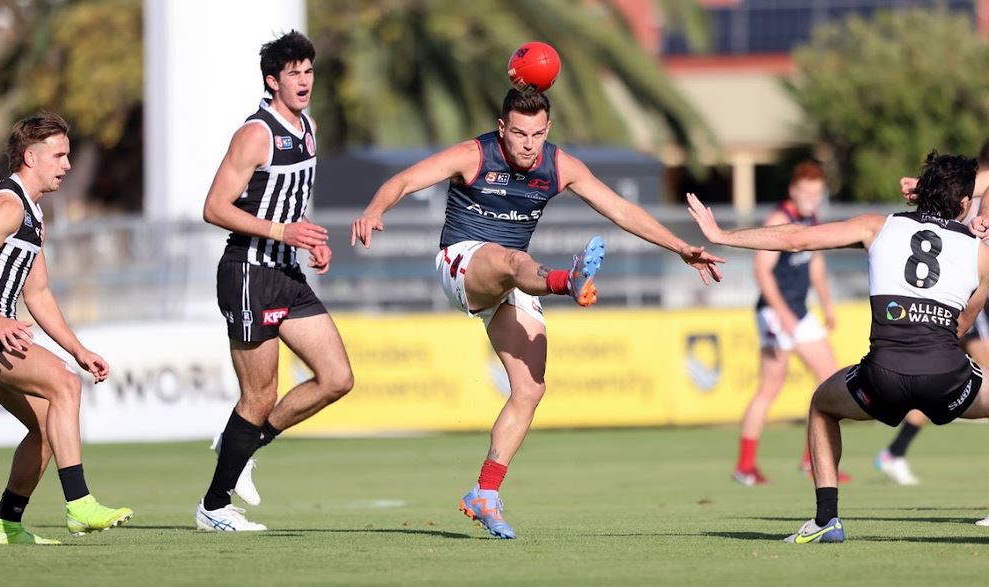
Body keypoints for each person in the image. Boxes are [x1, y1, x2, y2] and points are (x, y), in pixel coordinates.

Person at [352, 89, 723, 539]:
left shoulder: (559, 165)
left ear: (547, 130)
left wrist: (682, 247)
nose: (528, 144)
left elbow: (622, 211)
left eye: (537, 134)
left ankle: (485, 493)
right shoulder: (474, 154)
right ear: (502, 127)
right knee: (511, 262)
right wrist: (374, 209)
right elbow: (406, 180)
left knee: (530, 389)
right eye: (518, 133)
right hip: (462, 263)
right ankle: (568, 281)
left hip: (515, 277)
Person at [688, 151, 989, 543]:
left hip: (883, 378)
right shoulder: (981, 255)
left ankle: (826, 520)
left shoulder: (874, 226)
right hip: (948, 376)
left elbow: (796, 239)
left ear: (917, 194)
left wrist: (722, 235)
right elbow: (961, 325)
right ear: (966, 204)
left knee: (822, 404)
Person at [0, 112, 132, 545]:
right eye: (59, 155)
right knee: (66, 386)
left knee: (49, 427)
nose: (67, 164)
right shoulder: (7, 205)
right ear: (31, 157)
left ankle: (5, 524)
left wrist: (77, 349)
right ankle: (80, 505)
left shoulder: (32, 212)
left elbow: (40, 294)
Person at [198, 30, 352, 533]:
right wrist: (282, 231)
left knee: (337, 379)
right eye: (294, 73)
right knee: (259, 396)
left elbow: (291, 202)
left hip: (287, 271)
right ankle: (214, 507)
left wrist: (309, 240)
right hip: (248, 273)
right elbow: (214, 208)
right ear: (272, 81)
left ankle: (243, 442)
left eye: (309, 71)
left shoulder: (308, 125)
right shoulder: (255, 134)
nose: (304, 80)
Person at [875, 140, 989, 487]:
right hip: (968, 301)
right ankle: (895, 451)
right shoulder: (969, 199)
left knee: (936, 384)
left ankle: (895, 451)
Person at [731, 161, 842, 486]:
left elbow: (816, 263)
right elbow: (761, 270)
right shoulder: (779, 220)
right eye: (807, 191)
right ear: (793, 190)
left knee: (830, 379)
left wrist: (827, 304)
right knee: (770, 387)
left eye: (817, 192)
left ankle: (813, 462)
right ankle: (745, 466)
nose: (812, 198)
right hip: (775, 312)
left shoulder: (810, 219)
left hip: (800, 312)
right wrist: (783, 313)